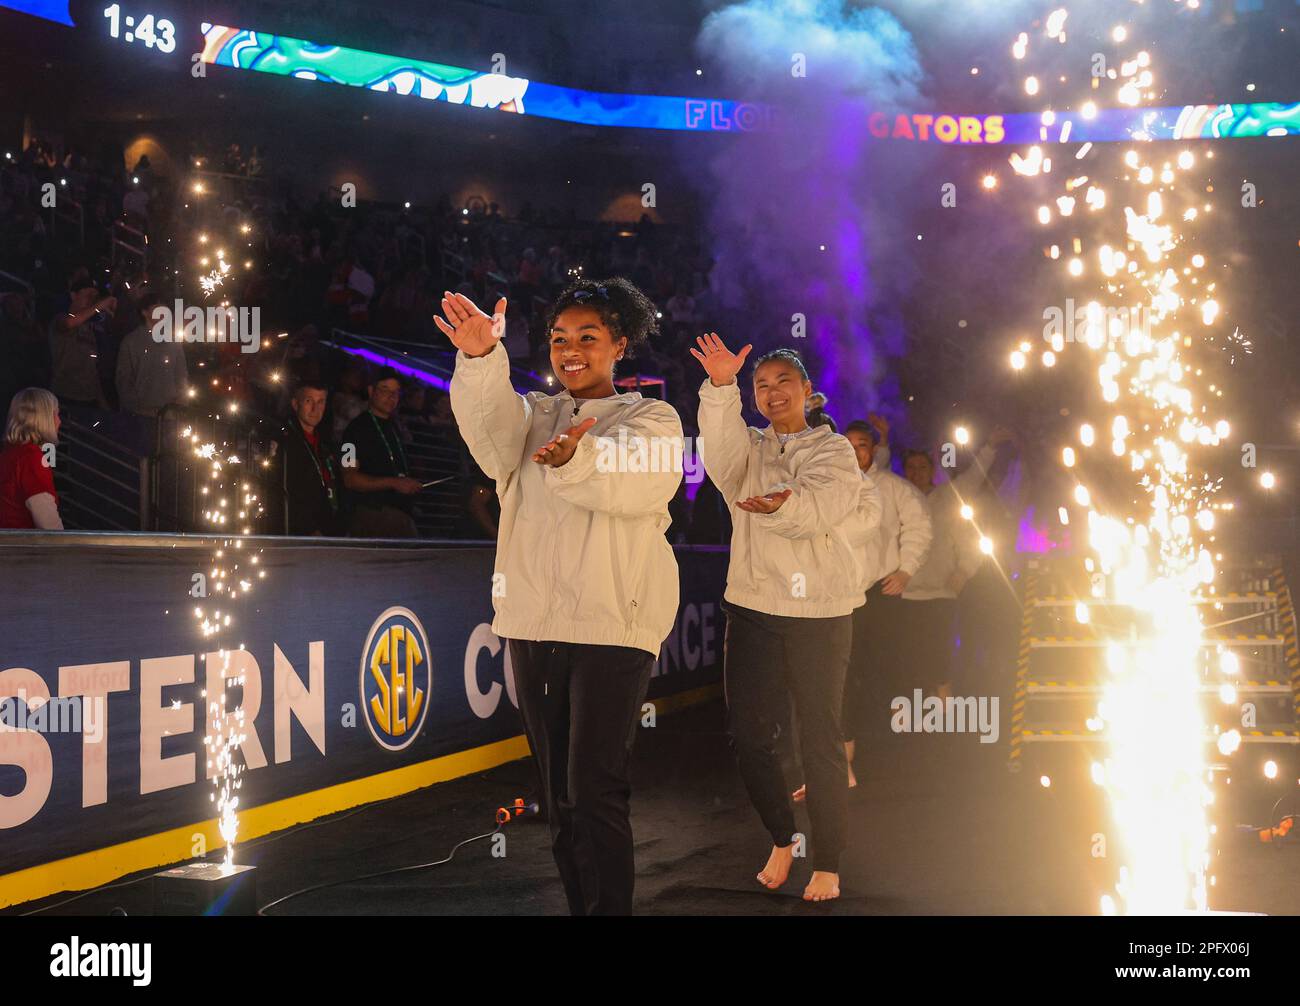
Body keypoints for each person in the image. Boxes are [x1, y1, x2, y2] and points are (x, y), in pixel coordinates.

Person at [440, 277, 683, 916]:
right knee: (559, 797)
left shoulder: (651, 419)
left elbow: (635, 484)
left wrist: (577, 456)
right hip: (533, 624)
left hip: (612, 627)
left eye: (587, 337)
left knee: (594, 788)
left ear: (619, 346)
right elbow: (491, 439)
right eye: (558, 338)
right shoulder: (533, 414)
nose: (570, 350)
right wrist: (479, 359)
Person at [692, 335, 879, 903]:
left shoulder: (834, 451)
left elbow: (820, 509)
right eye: (760, 385)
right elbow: (721, 462)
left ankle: (827, 862)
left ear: (808, 392)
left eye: (783, 383)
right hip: (752, 606)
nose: (771, 393)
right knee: (749, 737)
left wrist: (784, 505)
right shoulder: (747, 446)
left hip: (820, 612)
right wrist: (720, 386)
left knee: (819, 738)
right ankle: (781, 835)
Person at [840, 418, 932, 768]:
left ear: (872, 449)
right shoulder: (830, 486)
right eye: (847, 444)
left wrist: (906, 569)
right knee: (843, 675)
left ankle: (894, 752)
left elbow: (920, 525)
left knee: (885, 670)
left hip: (881, 594)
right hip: (841, 597)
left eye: (861, 444)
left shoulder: (893, 487)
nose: (854, 451)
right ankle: (847, 754)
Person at [898, 430, 1012, 696]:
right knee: (907, 654)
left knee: (940, 654)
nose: (917, 473)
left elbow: (973, 480)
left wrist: (963, 571)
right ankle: (905, 715)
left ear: (931, 470)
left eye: (922, 467)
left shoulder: (948, 497)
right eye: (911, 468)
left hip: (940, 592)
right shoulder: (897, 498)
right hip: (904, 594)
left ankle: (944, 712)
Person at [340, 368, 422, 537]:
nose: (391, 397)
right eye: (385, 390)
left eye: (396, 392)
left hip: (400, 512)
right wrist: (394, 483)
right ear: (371, 391)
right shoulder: (355, 429)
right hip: (373, 514)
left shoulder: (395, 428)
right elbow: (349, 478)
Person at [281, 380, 342, 536]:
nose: (315, 408)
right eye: (309, 401)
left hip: (329, 528)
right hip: (300, 533)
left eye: (321, 402)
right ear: (296, 404)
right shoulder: (285, 440)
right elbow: (286, 490)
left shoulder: (326, 444)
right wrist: (308, 528)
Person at [115, 293, 188, 417]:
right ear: (145, 312)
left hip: (170, 411)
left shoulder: (172, 340)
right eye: (157, 307)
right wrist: (135, 405)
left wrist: (181, 399)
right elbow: (124, 379)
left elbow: (181, 373)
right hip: (141, 412)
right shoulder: (131, 341)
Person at [0, 388, 63, 530]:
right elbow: (49, 526)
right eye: (56, 414)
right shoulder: (31, 458)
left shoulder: (9, 454)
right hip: (21, 549)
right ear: (44, 419)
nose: (59, 421)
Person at [50, 277, 115, 409]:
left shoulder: (89, 328)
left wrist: (102, 402)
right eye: (88, 294)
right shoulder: (60, 319)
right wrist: (99, 306)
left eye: (95, 296)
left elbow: (91, 367)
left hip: (88, 398)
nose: (92, 299)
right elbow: (69, 322)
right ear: (73, 295)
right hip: (66, 398)